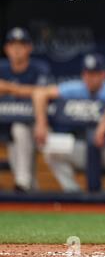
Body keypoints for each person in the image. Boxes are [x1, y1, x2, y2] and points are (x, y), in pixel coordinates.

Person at [33, 53, 105, 193]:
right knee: (51, 151)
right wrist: (41, 123)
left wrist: (103, 124)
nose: (91, 78)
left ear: (104, 74)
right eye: (88, 73)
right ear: (83, 74)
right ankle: (73, 193)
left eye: (95, 74)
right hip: (85, 149)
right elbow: (39, 93)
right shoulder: (77, 88)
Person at [0, 27, 52, 192]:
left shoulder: (39, 68)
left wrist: (8, 88)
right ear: (6, 48)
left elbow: (42, 91)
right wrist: (25, 90)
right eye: (12, 44)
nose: (16, 49)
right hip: (7, 129)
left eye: (21, 44)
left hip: (38, 126)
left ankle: (23, 182)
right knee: (25, 178)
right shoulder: (2, 67)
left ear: (29, 48)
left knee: (20, 128)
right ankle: (27, 186)